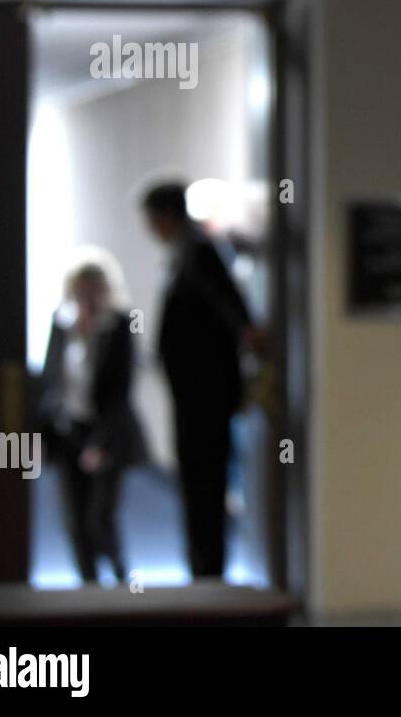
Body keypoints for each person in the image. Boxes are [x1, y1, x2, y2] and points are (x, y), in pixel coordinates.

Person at [141, 180, 257, 579]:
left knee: (205, 482)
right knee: (196, 481)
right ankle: (202, 565)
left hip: (206, 394)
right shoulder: (184, 253)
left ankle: (209, 569)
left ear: (164, 216)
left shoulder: (200, 251)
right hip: (194, 393)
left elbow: (233, 310)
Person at [36, 252, 146, 585]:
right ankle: (88, 586)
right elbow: (51, 379)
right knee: (74, 517)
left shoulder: (117, 326)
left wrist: (100, 443)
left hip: (106, 432)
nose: (85, 296)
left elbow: (120, 392)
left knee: (99, 516)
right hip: (68, 430)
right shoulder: (62, 323)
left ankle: (121, 577)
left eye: (91, 288)